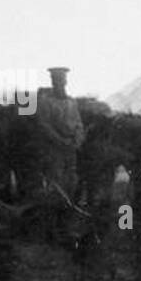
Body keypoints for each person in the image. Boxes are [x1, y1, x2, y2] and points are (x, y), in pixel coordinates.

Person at [32, 66, 86, 201]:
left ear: (65, 82)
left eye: (62, 80)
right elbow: (44, 125)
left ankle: (69, 208)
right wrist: (61, 141)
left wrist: (77, 139)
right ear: (52, 82)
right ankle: (56, 211)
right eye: (56, 80)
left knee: (71, 178)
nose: (59, 83)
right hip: (54, 149)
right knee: (56, 181)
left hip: (71, 147)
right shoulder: (45, 102)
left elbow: (78, 123)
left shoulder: (71, 102)